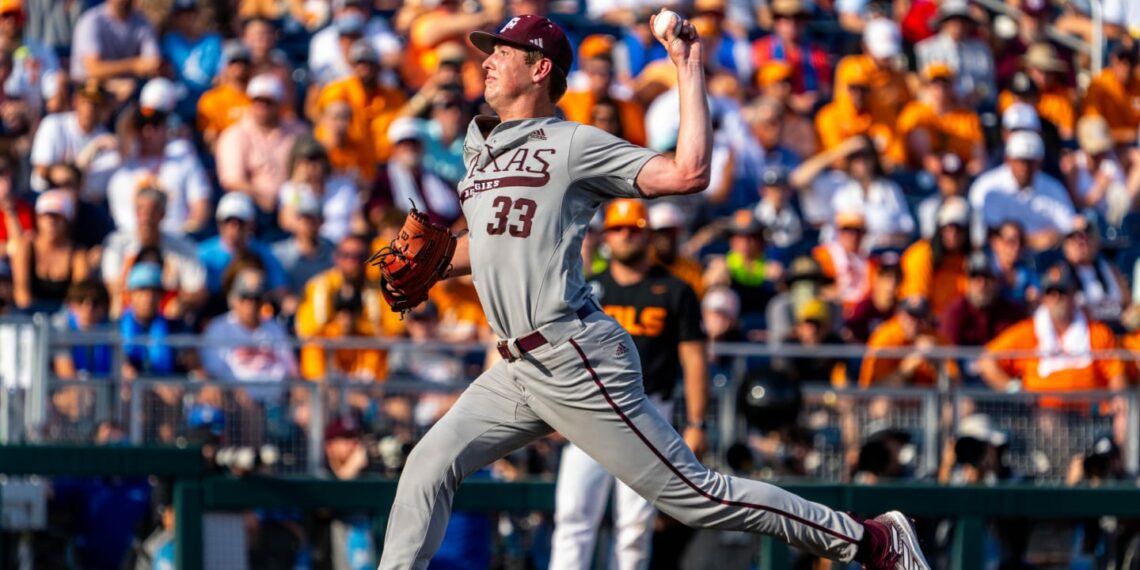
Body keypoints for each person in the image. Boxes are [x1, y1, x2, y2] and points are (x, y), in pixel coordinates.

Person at [377, 13, 928, 570]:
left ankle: (873, 540)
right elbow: (495, 241)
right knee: (428, 463)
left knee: (696, 497)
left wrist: (687, 65)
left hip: (573, 355)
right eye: (488, 51)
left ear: (540, 67)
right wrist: (441, 260)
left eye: (503, 51)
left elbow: (688, 173)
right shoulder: (482, 153)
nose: (487, 60)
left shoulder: (574, 143)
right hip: (515, 368)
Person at [550, 199, 707, 570]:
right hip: (590, 410)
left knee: (635, 524)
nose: (626, 236)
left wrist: (698, 423)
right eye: (618, 229)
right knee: (573, 515)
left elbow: (695, 358)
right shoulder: (586, 288)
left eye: (634, 229)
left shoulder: (674, 289)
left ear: (648, 234)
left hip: (649, 411)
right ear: (606, 236)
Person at [979, 264, 1126, 394]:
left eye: (1062, 292)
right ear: (1044, 298)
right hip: (1039, 418)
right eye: (1050, 292)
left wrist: (1119, 405)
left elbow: (1116, 375)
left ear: (1073, 295)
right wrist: (1015, 389)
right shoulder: (1029, 331)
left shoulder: (1097, 333)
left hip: (1089, 416)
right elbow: (987, 360)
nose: (1056, 298)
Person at [106, 102, 212, 235]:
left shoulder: (183, 158)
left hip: (177, 240)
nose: (147, 132)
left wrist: (189, 233)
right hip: (133, 242)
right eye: (141, 126)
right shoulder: (122, 168)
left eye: (155, 125)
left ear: (165, 128)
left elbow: (200, 205)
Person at [215, 73, 308, 216]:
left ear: (279, 104)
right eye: (258, 101)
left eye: (268, 102)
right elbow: (232, 180)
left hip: (293, 201)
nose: (262, 107)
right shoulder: (235, 135)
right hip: (253, 205)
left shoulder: (298, 131)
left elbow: (309, 168)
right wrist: (261, 198)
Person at [968, 130, 1074, 251]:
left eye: (1030, 162)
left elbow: (1070, 225)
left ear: (1040, 163)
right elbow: (985, 233)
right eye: (1020, 161)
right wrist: (1030, 240)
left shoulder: (1053, 188)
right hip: (1001, 258)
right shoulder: (987, 186)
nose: (1025, 168)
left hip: (1047, 257)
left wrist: (1056, 236)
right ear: (1008, 160)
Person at [12, 189, 89, 313]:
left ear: (67, 221)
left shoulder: (78, 255)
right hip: (29, 317)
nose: (51, 222)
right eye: (45, 216)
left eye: (57, 217)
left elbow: (78, 296)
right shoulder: (26, 247)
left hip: (64, 320)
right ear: (38, 219)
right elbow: (21, 291)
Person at [277, 135, 362, 243]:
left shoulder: (344, 186)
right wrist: (297, 187)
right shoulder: (291, 189)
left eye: (316, 159)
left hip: (343, 247)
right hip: (311, 246)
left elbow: (358, 222)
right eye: (306, 160)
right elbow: (287, 222)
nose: (312, 165)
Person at [859, 297, 958, 388]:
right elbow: (876, 387)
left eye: (920, 317)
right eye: (911, 316)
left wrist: (938, 364)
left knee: (964, 405)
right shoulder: (885, 338)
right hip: (895, 400)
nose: (915, 323)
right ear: (900, 316)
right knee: (881, 404)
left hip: (927, 400)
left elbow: (955, 384)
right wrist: (906, 369)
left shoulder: (936, 339)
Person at [899, 197, 971, 317]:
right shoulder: (921, 254)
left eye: (959, 229)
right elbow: (915, 303)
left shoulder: (970, 259)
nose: (953, 234)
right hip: (925, 323)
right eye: (947, 228)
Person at [914, 0, 995, 107]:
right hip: (938, 108)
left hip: (974, 108)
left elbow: (989, 84)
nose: (958, 25)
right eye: (953, 20)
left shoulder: (982, 50)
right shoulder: (925, 49)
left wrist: (977, 94)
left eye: (962, 20)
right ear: (943, 22)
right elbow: (921, 86)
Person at [69, 0, 160, 86]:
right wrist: (134, 65)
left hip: (130, 86)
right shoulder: (91, 21)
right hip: (87, 86)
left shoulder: (143, 23)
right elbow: (93, 69)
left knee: (160, 87)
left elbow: (152, 63)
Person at [197, 43, 253, 150]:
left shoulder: (260, 96)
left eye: (244, 62)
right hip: (227, 153)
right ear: (225, 67)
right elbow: (210, 139)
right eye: (234, 62)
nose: (240, 67)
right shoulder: (211, 99)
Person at [1082, 45, 1140, 145]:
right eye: (1122, 62)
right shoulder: (1099, 84)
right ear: (1113, 61)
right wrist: (1130, 135)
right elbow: (1093, 129)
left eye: (1130, 62)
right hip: (1104, 147)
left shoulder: (1137, 84)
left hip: (1133, 144)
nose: (1126, 67)